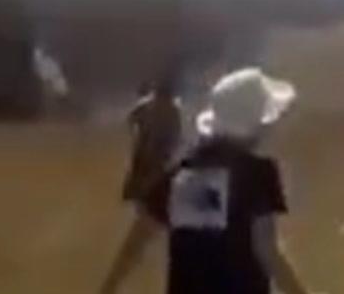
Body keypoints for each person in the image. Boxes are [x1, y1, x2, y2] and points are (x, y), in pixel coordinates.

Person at [98, 67, 316, 294]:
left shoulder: (182, 171)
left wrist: (108, 287)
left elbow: (139, 237)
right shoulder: (257, 173)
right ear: (255, 123)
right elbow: (266, 249)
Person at [121, 76, 184, 205]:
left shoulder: (160, 106)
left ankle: (143, 198)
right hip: (149, 144)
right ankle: (140, 198)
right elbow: (131, 119)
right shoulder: (165, 107)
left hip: (154, 145)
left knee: (149, 173)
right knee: (144, 172)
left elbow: (131, 119)